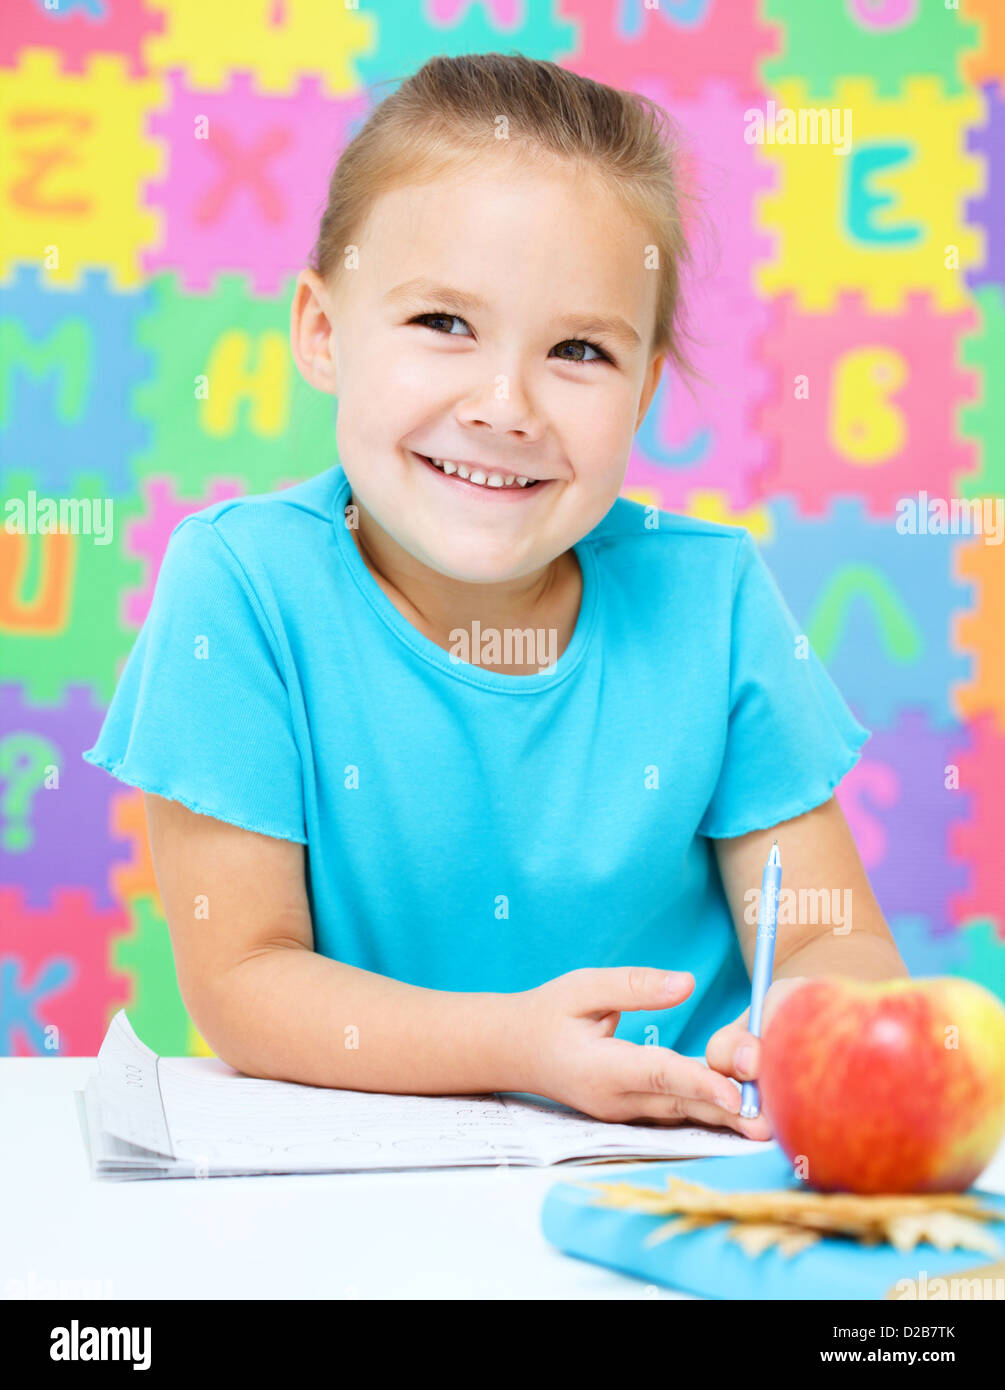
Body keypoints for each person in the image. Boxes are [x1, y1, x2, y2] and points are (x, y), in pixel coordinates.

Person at [83, 53, 907, 1133]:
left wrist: (808, 1018)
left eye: (577, 349)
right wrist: (516, 1047)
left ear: (645, 390)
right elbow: (245, 977)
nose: (506, 405)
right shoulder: (240, 590)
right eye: (443, 325)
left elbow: (823, 934)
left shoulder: (714, 599)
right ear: (323, 332)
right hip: (378, 1197)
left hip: (688, 1165)